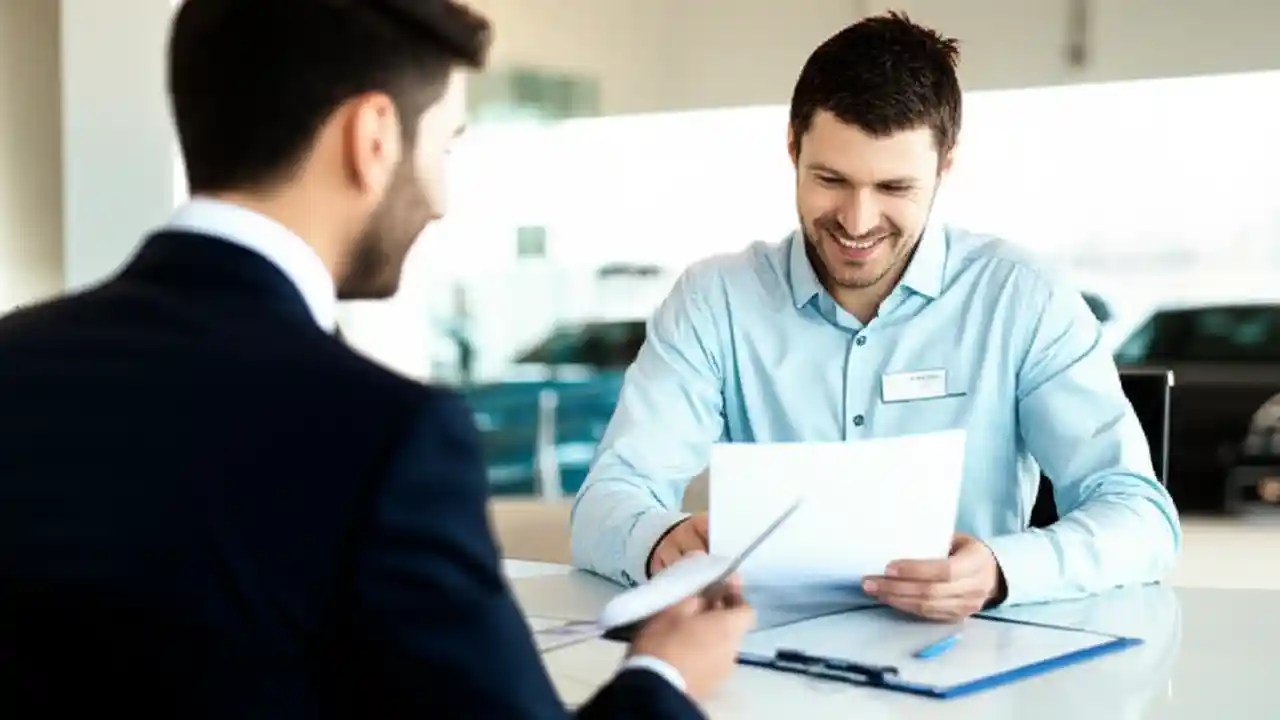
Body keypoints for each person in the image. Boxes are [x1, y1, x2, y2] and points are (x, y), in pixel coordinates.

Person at [0, 1, 753, 717]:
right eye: (447, 145)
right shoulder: (390, 437)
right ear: (374, 137)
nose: (443, 198)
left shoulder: (16, 361)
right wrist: (664, 672)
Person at [570, 12, 1182, 621]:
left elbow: (1140, 516)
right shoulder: (714, 301)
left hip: (967, 662)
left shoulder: (1023, 300)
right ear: (792, 146)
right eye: (830, 179)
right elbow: (609, 497)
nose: (858, 222)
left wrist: (1002, 569)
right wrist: (654, 539)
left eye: (894, 188)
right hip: (763, 665)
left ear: (944, 166)